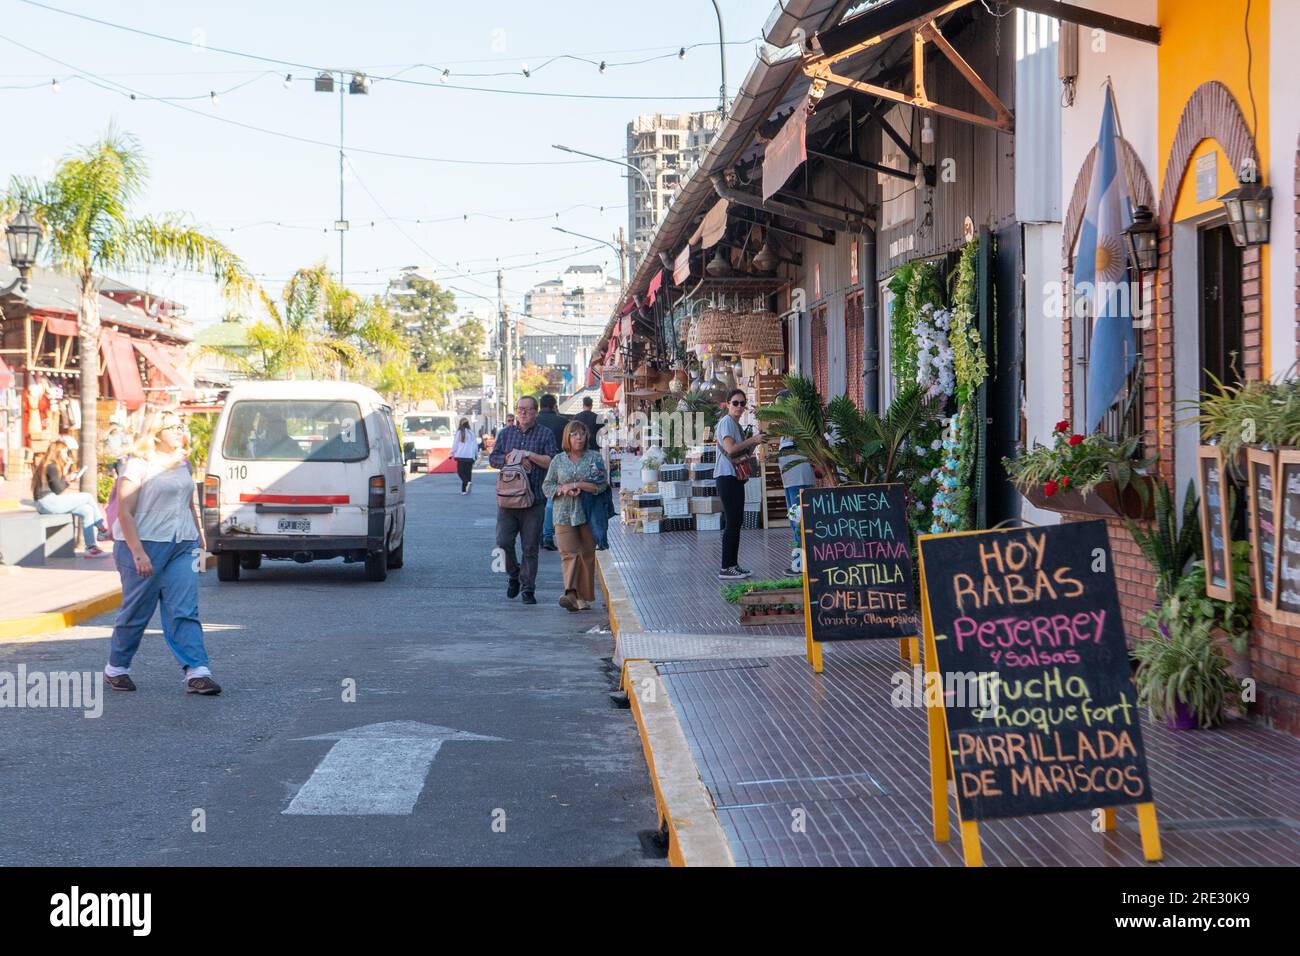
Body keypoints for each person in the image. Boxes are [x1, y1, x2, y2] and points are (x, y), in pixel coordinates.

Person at [104, 410, 221, 695]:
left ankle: (197, 671)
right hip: (144, 544)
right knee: (137, 611)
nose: (180, 431)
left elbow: (190, 504)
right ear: (156, 432)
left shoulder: (182, 462)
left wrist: (200, 540)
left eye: (181, 425)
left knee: (185, 608)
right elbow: (126, 512)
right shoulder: (138, 464)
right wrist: (138, 552)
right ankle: (116, 667)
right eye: (172, 427)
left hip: (183, 544)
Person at [488, 396, 558, 605]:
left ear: (535, 412)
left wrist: (529, 455)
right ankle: (514, 574)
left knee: (530, 548)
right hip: (508, 501)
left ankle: (528, 588)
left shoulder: (544, 434)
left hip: (534, 500)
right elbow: (493, 459)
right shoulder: (506, 434)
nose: (523, 413)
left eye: (528, 410)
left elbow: (552, 461)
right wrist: (507, 458)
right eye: (520, 409)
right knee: (503, 543)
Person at [542, 421, 607, 611]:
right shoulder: (558, 460)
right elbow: (547, 486)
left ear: (587, 437)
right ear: (567, 438)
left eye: (582, 434)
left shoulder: (594, 458)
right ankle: (570, 593)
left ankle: (583, 597)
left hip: (589, 513)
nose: (578, 437)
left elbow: (601, 485)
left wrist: (576, 485)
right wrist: (562, 490)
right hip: (563, 514)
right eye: (574, 434)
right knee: (569, 553)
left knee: (586, 554)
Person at [714, 388, 765, 580]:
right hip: (726, 477)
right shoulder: (727, 422)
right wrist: (753, 439)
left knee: (736, 521)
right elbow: (731, 448)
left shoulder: (736, 424)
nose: (739, 407)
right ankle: (726, 567)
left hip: (733, 477)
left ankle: (733, 564)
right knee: (733, 522)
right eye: (735, 403)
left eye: (742, 403)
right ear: (728, 404)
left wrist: (756, 441)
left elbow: (741, 452)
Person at [32, 439, 110, 557]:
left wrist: (67, 471)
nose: (66, 455)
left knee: (87, 510)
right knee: (87, 496)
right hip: (48, 502)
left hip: (46, 503)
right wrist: (70, 479)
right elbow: (58, 489)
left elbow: (56, 487)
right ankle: (101, 527)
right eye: (64, 452)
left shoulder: (48, 465)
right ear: (57, 452)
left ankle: (91, 548)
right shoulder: (52, 466)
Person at [775, 389, 816, 575]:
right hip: (790, 481)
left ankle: (801, 564)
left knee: (799, 521)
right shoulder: (786, 430)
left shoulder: (796, 427)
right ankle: (800, 561)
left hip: (798, 481)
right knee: (795, 521)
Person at [536, 394, 570, 552]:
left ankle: (538, 534)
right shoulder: (562, 422)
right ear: (553, 405)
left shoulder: (533, 422)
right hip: (558, 465)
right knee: (551, 500)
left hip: (535, 465)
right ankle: (547, 535)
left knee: (536, 502)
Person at [450, 417, 479, 494]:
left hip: (461, 455)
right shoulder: (471, 433)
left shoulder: (459, 432)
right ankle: (465, 490)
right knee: (468, 472)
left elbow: (455, 444)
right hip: (470, 456)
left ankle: (465, 486)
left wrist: (451, 453)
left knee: (460, 472)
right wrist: (476, 454)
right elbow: (475, 445)